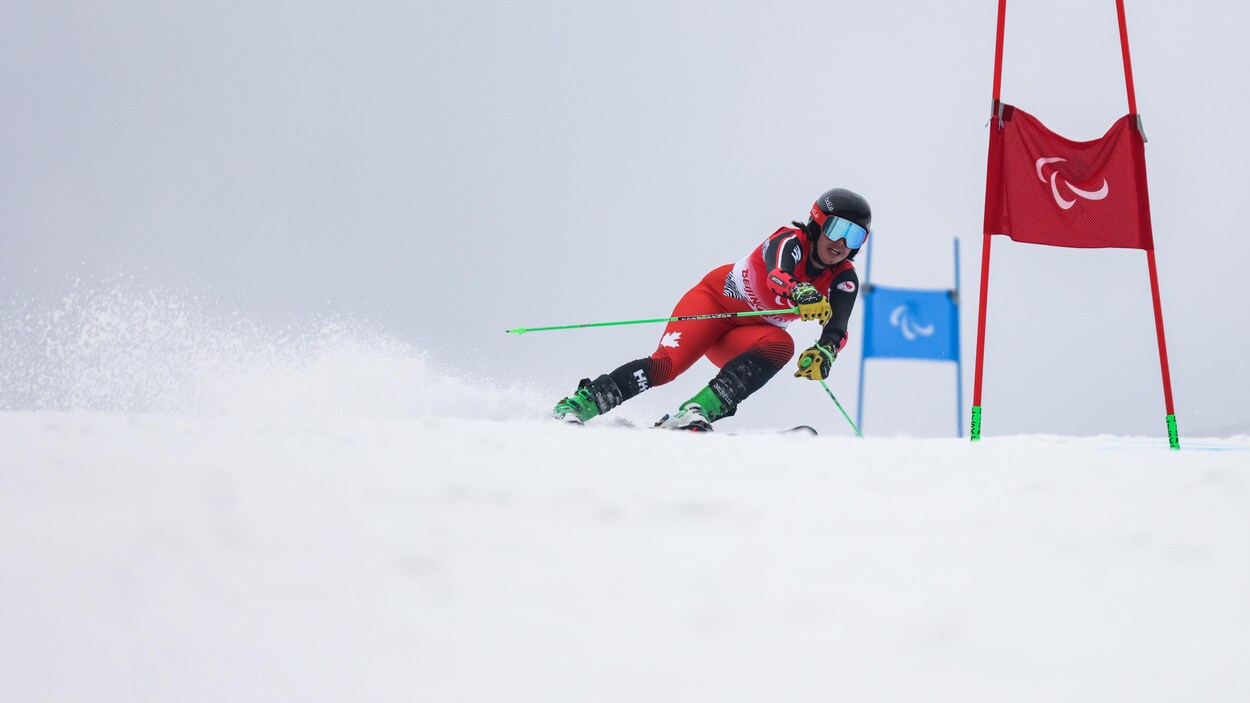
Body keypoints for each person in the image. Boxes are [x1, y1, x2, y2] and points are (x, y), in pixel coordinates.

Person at [552, 187, 871, 431]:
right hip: (712, 306)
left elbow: (838, 327)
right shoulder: (790, 241)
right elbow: (777, 275)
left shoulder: (844, 278)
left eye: (855, 235)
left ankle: (695, 411)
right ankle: (582, 403)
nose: (842, 242)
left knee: (781, 346)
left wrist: (825, 352)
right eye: (837, 229)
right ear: (817, 223)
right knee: (666, 366)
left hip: (746, 334)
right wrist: (799, 291)